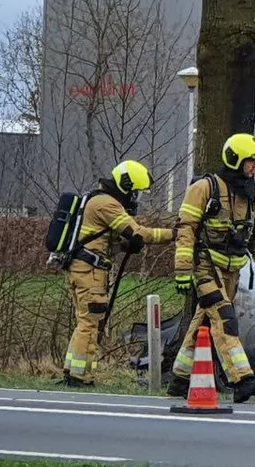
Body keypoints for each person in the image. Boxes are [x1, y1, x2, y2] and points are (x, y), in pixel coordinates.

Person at [167, 133, 255, 403]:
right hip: (205, 267)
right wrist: (183, 271)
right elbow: (185, 231)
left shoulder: (252, 196)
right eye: (251, 161)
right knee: (225, 318)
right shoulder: (204, 189)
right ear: (235, 160)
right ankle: (242, 379)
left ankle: (180, 378)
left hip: (232, 272)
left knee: (205, 321)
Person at [62, 160, 177, 387]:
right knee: (90, 324)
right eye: (135, 192)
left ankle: (73, 370)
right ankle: (79, 376)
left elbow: (103, 242)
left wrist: (125, 246)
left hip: (84, 269)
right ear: (126, 186)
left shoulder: (98, 200)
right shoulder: (106, 203)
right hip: (90, 271)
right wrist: (173, 234)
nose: (135, 198)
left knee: (84, 322)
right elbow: (138, 233)